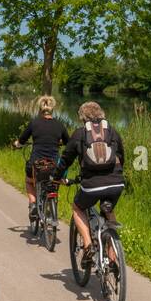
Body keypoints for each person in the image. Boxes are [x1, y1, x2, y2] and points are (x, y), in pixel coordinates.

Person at [55, 101, 125, 264]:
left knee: (78, 207)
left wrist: (56, 177)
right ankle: (113, 258)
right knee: (108, 209)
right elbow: (121, 156)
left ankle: (87, 245)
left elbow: (65, 159)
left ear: (82, 118)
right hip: (116, 183)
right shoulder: (112, 131)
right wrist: (118, 175)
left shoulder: (80, 133)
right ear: (101, 114)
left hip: (92, 185)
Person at [13, 95, 69, 221]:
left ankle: (33, 204)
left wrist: (16, 145)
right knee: (54, 182)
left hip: (36, 163)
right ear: (53, 109)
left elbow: (21, 141)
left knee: (29, 181)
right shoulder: (59, 125)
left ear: (40, 109)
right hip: (53, 163)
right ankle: (52, 204)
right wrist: (58, 142)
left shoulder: (34, 123)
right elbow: (68, 142)